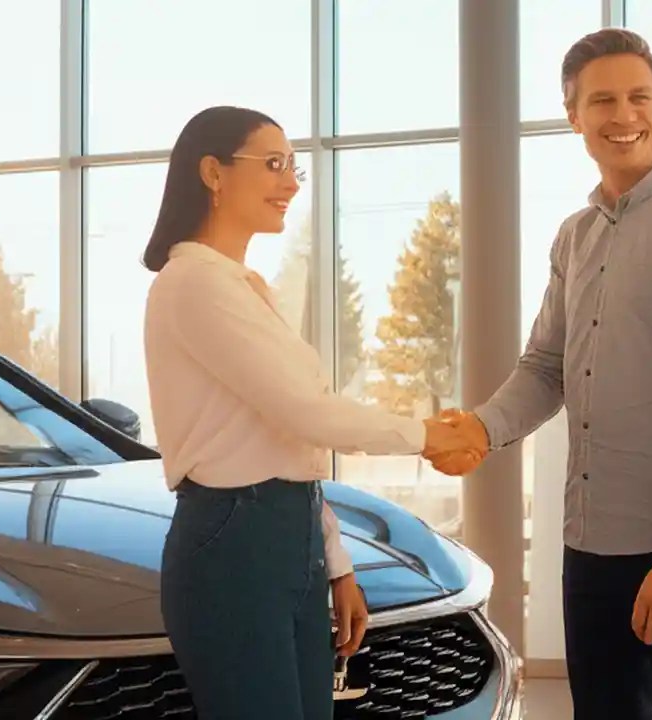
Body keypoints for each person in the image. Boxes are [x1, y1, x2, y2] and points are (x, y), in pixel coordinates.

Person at [435, 28, 652, 720]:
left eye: (639, 97)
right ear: (573, 115)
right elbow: (545, 367)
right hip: (589, 553)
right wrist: (480, 428)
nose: (624, 116)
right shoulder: (574, 236)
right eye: (603, 100)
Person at [141, 106, 474, 720]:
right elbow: (305, 414)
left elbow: (287, 445)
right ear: (212, 172)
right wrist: (427, 434)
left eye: (293, 166)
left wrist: (336, 564)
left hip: (285, 533)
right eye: (273, 164)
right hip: (233, 543)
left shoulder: (244, 287)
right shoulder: (192, 284)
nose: (291, 182)